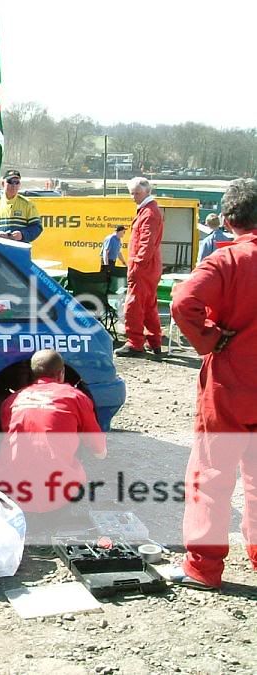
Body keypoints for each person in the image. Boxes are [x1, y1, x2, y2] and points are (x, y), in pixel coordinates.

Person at [168, 178, 257, 590]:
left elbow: (184, 302)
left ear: (225, 220)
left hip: (229, 387)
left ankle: (204, 567)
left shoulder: (226, 262)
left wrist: (209, 338)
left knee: (211, 475)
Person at [0, 350, 106, 513]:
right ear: (62, 373)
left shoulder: (11, 401)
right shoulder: (75, 397)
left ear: (32, 373)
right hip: (55, 496)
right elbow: (99, 450)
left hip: (11, 493)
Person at [114, 177, 164, 358]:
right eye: (132, 193)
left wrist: (137, 266)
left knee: (134, 305)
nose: (134, 197)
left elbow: (146, 242)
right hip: (150, 266)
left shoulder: (149, 213)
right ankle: (155, 341)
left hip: (143, 266)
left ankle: (135, 343)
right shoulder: (150, 211)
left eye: (137, 193)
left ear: (147, 192)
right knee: (149, 305)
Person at [0, 170, 43, 243]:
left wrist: (22, 234)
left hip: (20, 249)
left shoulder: (27, 204)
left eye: (17, 182)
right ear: (3, 183)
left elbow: (37, 227)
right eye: (10, 182)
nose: (14, 185)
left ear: (20, 185)